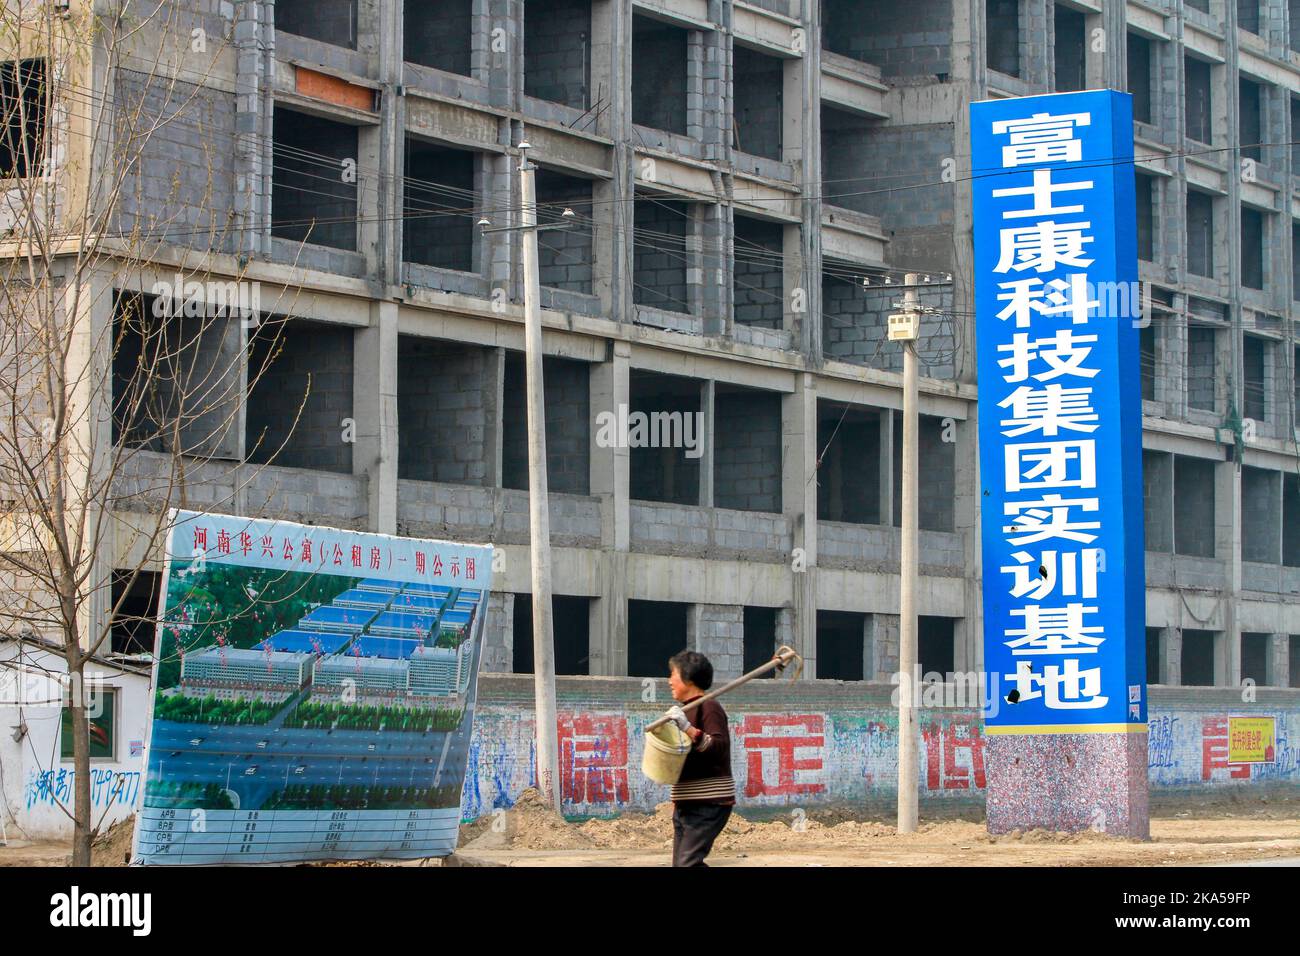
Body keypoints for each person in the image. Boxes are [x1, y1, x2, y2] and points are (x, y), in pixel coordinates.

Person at [663, 649, 735, 867]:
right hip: (686, 802)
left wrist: (688, 728)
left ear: (688, 676)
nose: (669, 681)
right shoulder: (685, 711)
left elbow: (719, 747)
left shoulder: (709, 707)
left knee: (688, 864)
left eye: (673, 675)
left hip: (709, 802)